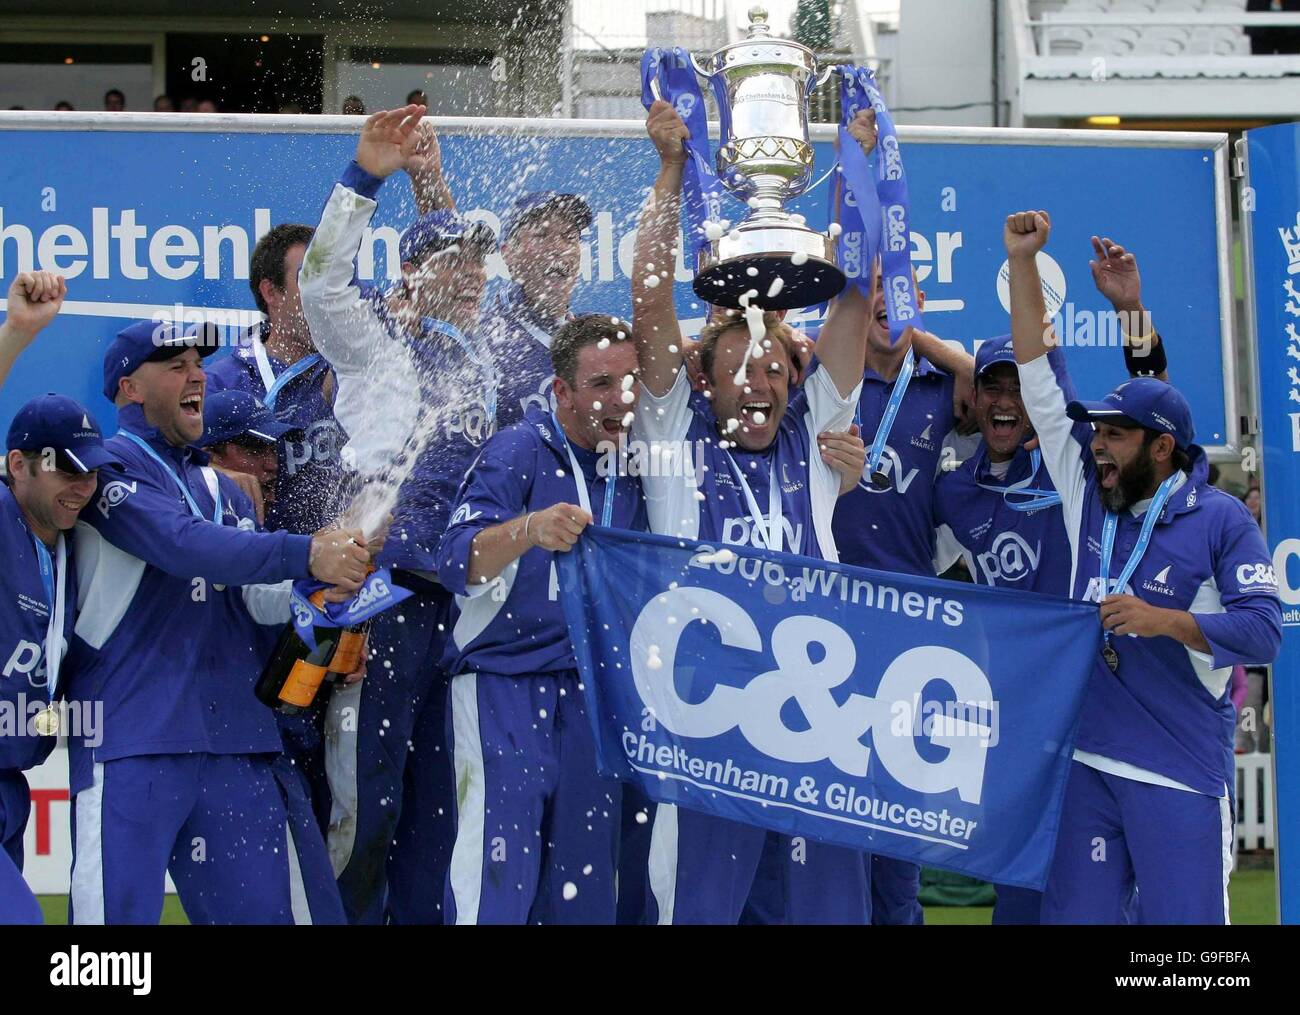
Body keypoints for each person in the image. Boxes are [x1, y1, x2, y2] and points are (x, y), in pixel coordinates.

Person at [629, 98, 873, 925]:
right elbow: (651, 300)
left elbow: (852, 304)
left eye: (774, 370)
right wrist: (669, 170)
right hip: (708, 734)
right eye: (743, 369)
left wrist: (860, 179)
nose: (761, 384)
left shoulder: (817, 443)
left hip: (816, 732)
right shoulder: (672, 443)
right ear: (705, 381)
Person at [1006, 208, 1282, 924]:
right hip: (1089, 765)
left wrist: (1164, 621)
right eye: (1096, 431)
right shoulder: (1087, 494)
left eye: (1116, 436)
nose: (1097, 445)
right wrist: (1025, 261)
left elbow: (1265, 631)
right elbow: (1038, 373)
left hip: (1182, 773)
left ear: (1161, 450)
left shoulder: (1219, 519)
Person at [62, 318, 370, 924]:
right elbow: (184, 546)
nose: (196, 374)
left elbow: (255, 599)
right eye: (175, 366)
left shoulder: (223, 489)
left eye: (199, 364)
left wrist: (327, 582)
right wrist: (306, 552)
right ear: (129, 388)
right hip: (132, 739)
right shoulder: (106, 473)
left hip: (236, 740)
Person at [928, 236, 1166, 924]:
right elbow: (918, 583)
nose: (1005, 399)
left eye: (1017, 386)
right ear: (972, 398)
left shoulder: (1078, 468)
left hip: (1099, 706)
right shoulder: (954, 495)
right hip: (1016, 717)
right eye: (989, 386)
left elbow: (1155, 400)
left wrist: (1131, 313)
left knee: (1105, 891)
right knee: (1024, 892)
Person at [299, 104, 498, 924]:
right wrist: (367, 177)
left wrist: (430, 178)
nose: (480, 276)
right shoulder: (373, 342)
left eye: (483, 264)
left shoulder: (474, 357)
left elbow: (448, 252)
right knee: (364, 806)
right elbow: (318, 280)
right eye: (465, 263)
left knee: (432, 818)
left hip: (441, 610)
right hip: (374, 599)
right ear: (419, 274)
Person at [437, 314, 647, 923]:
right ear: (561, 391)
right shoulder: (518, 449)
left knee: (582, 887)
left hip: (594, 692)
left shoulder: (639, 460)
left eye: (629, 382)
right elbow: (457, 559)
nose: (619, 400)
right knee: (498, 873)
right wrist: (528, 529)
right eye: (602, 385)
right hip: (507, 681)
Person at [198, 388, 350, 925]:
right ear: (211, 453)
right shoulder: (182, 520)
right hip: (213, 747)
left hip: (271, 738)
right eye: (254, 450)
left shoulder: (266, 530)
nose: (270, 465)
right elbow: (255, 597)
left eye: (273, 450)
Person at [0, 271, 114, 926]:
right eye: (65, 467)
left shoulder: (76, 545)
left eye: (90, 467)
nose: (83, 483)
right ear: (18, 465)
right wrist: (18, 332)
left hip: (14, 786)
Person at [476, 191, 592, 426]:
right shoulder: (482, 343)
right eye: (542, 235)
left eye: (569, 236)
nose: (558, 248)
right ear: (509, 255)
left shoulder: (596, 336)